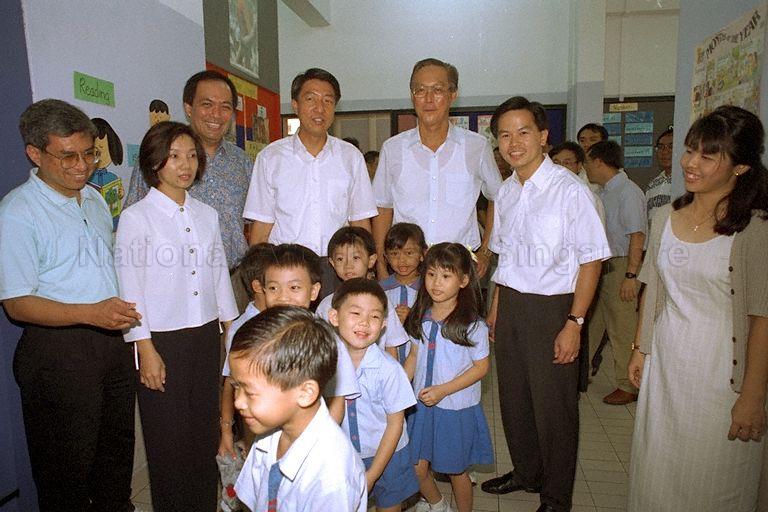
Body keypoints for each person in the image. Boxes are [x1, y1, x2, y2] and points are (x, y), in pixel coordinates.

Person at [0, 99, 140, 511]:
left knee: (116, 459)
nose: (83, 165)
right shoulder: (17, 213)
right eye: (68, 156)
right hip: (56, 354)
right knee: (66, 474)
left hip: (110, 346)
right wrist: (89, 312)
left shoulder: (94, 199)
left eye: (89, 153)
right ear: (35, 153)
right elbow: (17, 304)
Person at [627, 105, 768, 511]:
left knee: (713, 480)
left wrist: (753, 395)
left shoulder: (754, 228)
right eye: (690, 150)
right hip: (667, 367)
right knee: (657, 471)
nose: (690, 163)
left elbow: (761, 318)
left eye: (708, 155)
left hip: (722, 376)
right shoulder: (666, 217)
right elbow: (653, 289)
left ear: (740, 167)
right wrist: (641, 347)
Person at [480, 97, 609, 512]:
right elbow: (505, 256)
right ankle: (526, 472)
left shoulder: (571, 191)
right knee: (514, 398)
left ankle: (556, 498)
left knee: (554, 409)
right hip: (513, 304)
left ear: (543, 136)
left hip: (555, 308)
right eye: (504, 134)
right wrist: (498, 306)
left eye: (523, 132)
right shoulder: (506, 190)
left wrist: (575, 321)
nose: (513, 142)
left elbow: (591, 260)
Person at [115, 121, 239, 511]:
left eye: (190, 156)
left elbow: (219, 271)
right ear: (155, 163)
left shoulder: (206, 214)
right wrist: (145, 349)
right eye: (173, 157)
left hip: (203, 335)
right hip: (161, 341)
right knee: (167, 440)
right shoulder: (137, 218)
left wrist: (230, 329)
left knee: (202, 433)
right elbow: (129, 288)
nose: (184, 165)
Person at [244, 68, 377, 298]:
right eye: (310, 99)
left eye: (328, 101)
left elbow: (360, 223)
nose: (319, 108)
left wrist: (364, 274)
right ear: (295, 105)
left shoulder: (350, 157)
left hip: (338, 269)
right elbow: (261, 229)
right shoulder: (271, 157)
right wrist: (258, 281)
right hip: (286, 268)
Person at [372, 58, 502, 280]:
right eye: (420, 90)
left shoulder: (476, 146)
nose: (429, 99)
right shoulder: (393, 149)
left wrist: (486, 252)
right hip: (407, 268)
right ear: (412, 96)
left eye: (438, 90)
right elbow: (383, 208)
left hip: (459, 267)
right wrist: (381, 265)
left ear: (453, 95)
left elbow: (499, 198)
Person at [229, 306, 367, 511]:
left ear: (305, 393)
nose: (238, 402)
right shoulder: (267, 433)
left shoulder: (332, 474)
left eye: (249, 393)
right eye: (236, 386)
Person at [124, 70, 253, 272]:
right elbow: (133, 219)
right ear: (188, 108)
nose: (216, 115)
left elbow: (253, 223)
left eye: (225, 107)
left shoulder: (243, 162)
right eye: (207, 104)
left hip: (233, 276)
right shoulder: (159, 156)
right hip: (172, 277)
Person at [404, 243, 494, 512]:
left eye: (446, 276)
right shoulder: (420, 316)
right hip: (421, 406)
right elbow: (412, 357)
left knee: (456, 471)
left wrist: (444, 390)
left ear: (464, 280)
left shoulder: (473, 325)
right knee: (416, 466)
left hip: (454, 409)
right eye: (431, 274)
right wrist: (399, 389)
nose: (436, 283)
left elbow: (481, 368)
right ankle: (438, 505)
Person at [327, 278, 420, 512]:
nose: (365, 323)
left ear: (384, 324)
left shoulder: (389, 370)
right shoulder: (327, 366)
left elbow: (395, 425)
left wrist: (372, 475)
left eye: (375, 316)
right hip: (345, 456)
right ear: (334, 317)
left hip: (389, 455)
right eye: (355, 313)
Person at [260, 243, 361, 422]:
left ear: (314, 291)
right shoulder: (259, 338)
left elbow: (337, 399)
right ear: (263, 289)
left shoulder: (327, 340)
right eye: (273, 288)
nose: (283, 296)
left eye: (294, 288)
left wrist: (324, 440)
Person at [583, 140, 646, 405]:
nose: (586, 168)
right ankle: (579, 375)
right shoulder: (604, 191)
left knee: (622, 327)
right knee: (593, 323)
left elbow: (637, 235)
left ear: (598, 162)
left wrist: (631, 276)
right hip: (603, 265)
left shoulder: (628, 192)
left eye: (587, 163)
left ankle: (628, 384)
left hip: (622, 265)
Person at [315, 227, 410, 357]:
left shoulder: (381, 300)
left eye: (356, 258)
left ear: (371, 260)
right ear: (332, 263)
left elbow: (391, 345)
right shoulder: (326, 305)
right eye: (340, 259)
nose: (348, 265)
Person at [219, 242, 274, 459]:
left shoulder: (288, 318)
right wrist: (226, 432)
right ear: (258, 286)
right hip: (256, 429)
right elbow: (230, 384)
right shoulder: (242, 328)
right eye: (275, 284)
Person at [379, 222, 427, 362]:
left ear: (422, 254)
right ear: (386, 257)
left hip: (420, 362)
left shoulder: (429, 289)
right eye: (394, 254)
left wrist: (412, 317)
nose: (402, 260)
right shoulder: (380, 290)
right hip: (388, 360)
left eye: (409, 253)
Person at [549, 141, 605, 221]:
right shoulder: (545, 194)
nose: (561, 168)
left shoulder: (587, 197)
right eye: (556, 163)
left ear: (579, 166)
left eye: (567, 163)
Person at [88, 117, 124, 230]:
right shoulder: (86, 179)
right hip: (93, 222)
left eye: (104, 149)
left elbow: (118, 196)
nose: (100, 155)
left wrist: (120, 193)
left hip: (112, 220)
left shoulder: (113, 178)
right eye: (96, 150)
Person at [645, 127, 674, 224]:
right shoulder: (653, 184)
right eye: (661, 147)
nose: (665, 152)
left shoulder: (685, 182)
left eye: (671, 147)